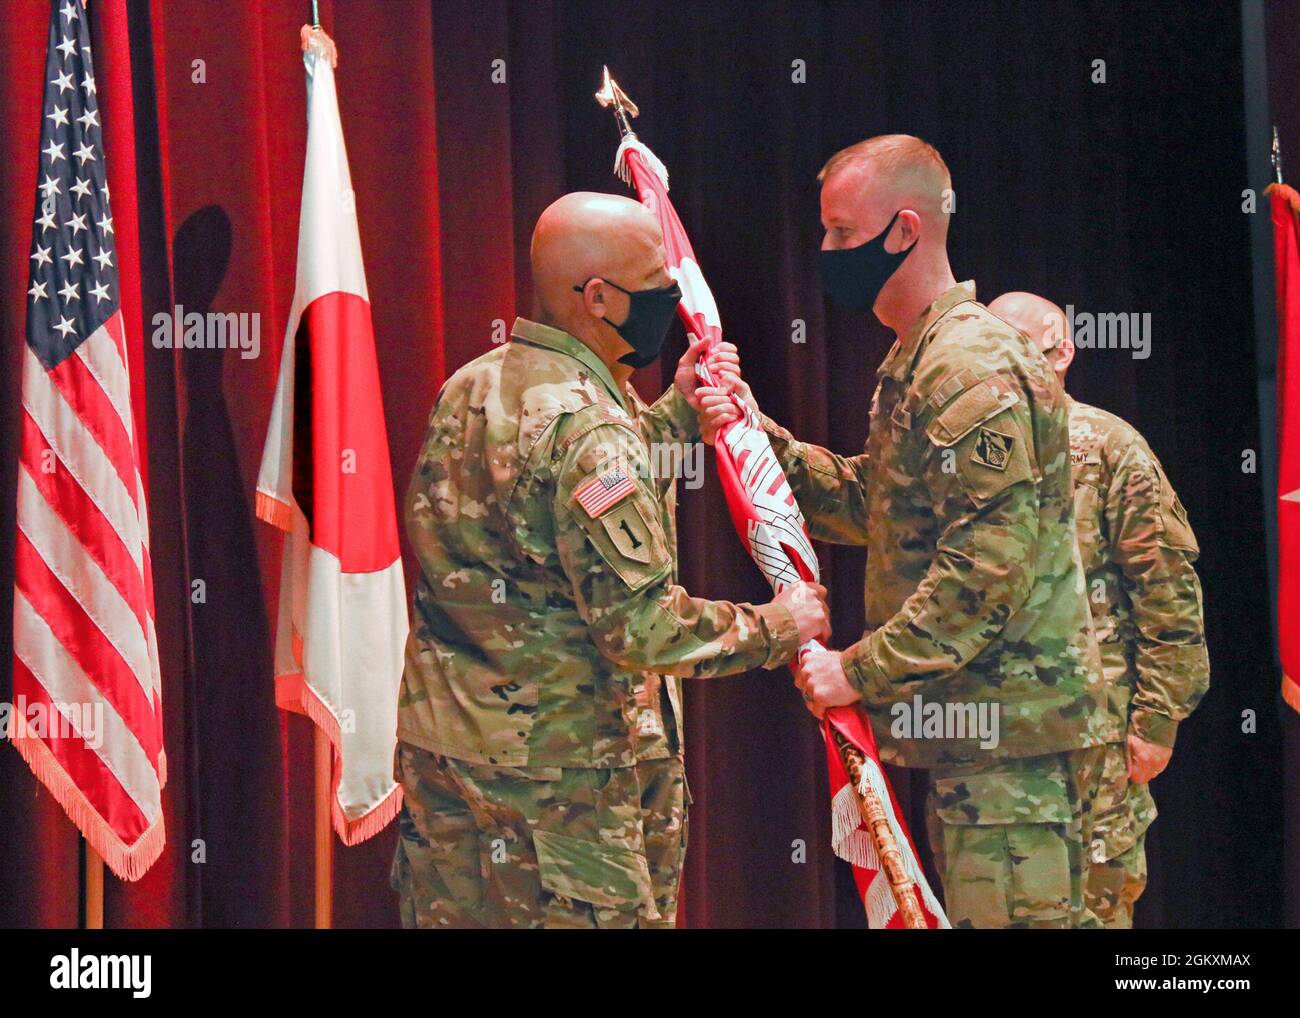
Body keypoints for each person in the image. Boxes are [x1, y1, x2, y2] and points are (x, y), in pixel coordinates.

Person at [701, 135, 1118, 928]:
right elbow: (876, 505)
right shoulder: (921, 356)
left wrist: (858, 670)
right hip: (982, 741)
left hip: (1013, 753)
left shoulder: (966, 366)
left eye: (842, 234)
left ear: (904, 229)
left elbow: (984, 569)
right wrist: (759, 438)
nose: (824, 251)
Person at [390, 191, 831, 928]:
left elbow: (536, 530)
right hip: (561, 789)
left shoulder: (470, 385)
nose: (671, 299)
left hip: (452, 767)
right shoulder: (590, 425)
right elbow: (643, 630)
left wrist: (668, 417)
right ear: (598, 297)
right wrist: (778, 622)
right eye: (658, 285)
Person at [988, 291, 1210, 927]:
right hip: (991, 743)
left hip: (1097, 737)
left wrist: (1156, 722)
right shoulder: (969, 455)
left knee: (1094, 909)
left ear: (1064, 354)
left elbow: (1167, 595)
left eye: (1021, 349)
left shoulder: (1111, 449)